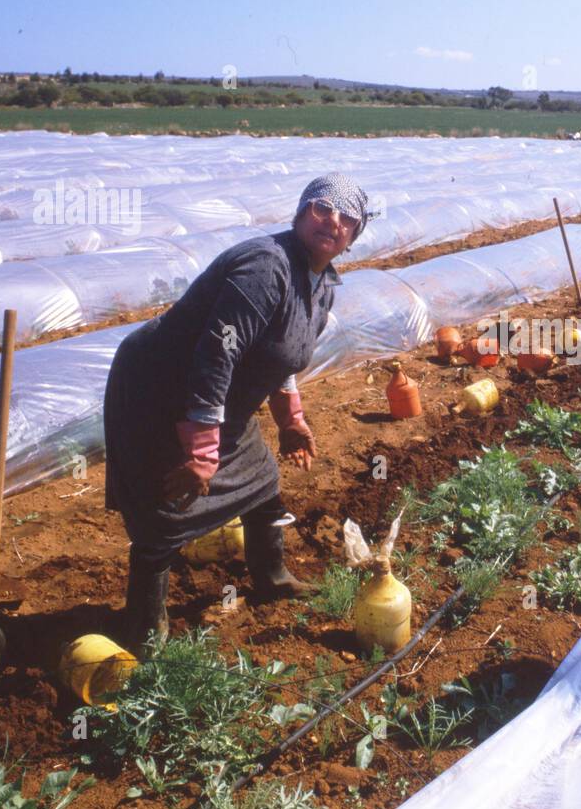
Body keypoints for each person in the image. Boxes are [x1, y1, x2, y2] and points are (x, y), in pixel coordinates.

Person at [104, 173, 378, 651]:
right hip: (159, 391)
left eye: (346, 217)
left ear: (354, 236)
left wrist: (290, 418)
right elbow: (217, 353)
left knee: (262, 480)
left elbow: (281, 355)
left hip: (217, 398)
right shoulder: (265, 266)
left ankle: (271, 576)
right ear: (300, 214)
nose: (332, 220)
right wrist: (202, 449)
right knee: (166, 510)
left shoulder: (322, 284)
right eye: (321, 208)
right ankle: (146, 632)